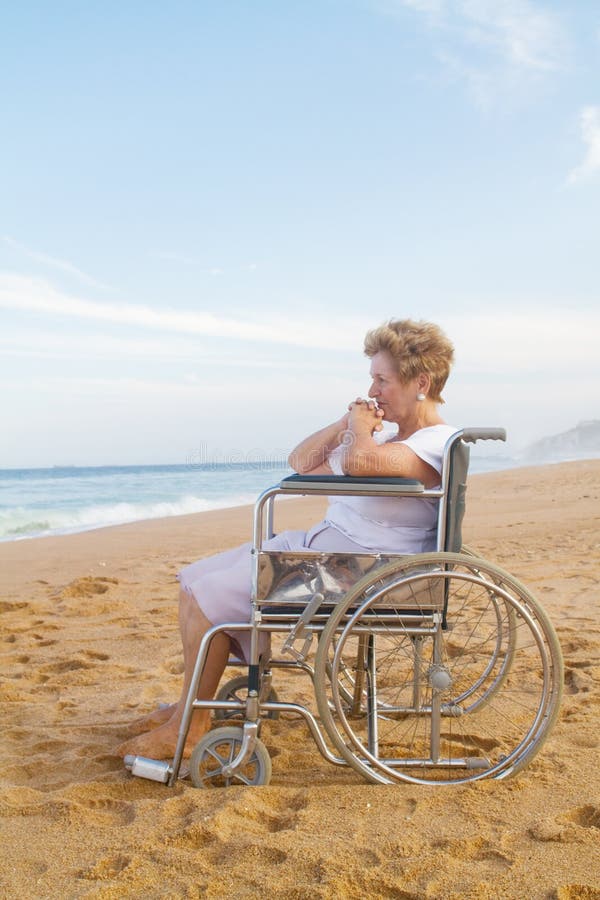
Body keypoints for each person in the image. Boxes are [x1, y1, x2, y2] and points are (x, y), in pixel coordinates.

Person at [117, 319, 457, 759]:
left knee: (209, 597)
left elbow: (359, 462)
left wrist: (358, 429)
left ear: (421, 383)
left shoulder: (434, 442)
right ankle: (188, 705)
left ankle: (193, 725)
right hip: (329, 555)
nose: (372, 390)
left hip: (366, 574)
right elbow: (300, 462)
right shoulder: (389, 438)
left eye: (382, 380)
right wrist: (343, 422)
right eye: (372, 378)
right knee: (194, 582)